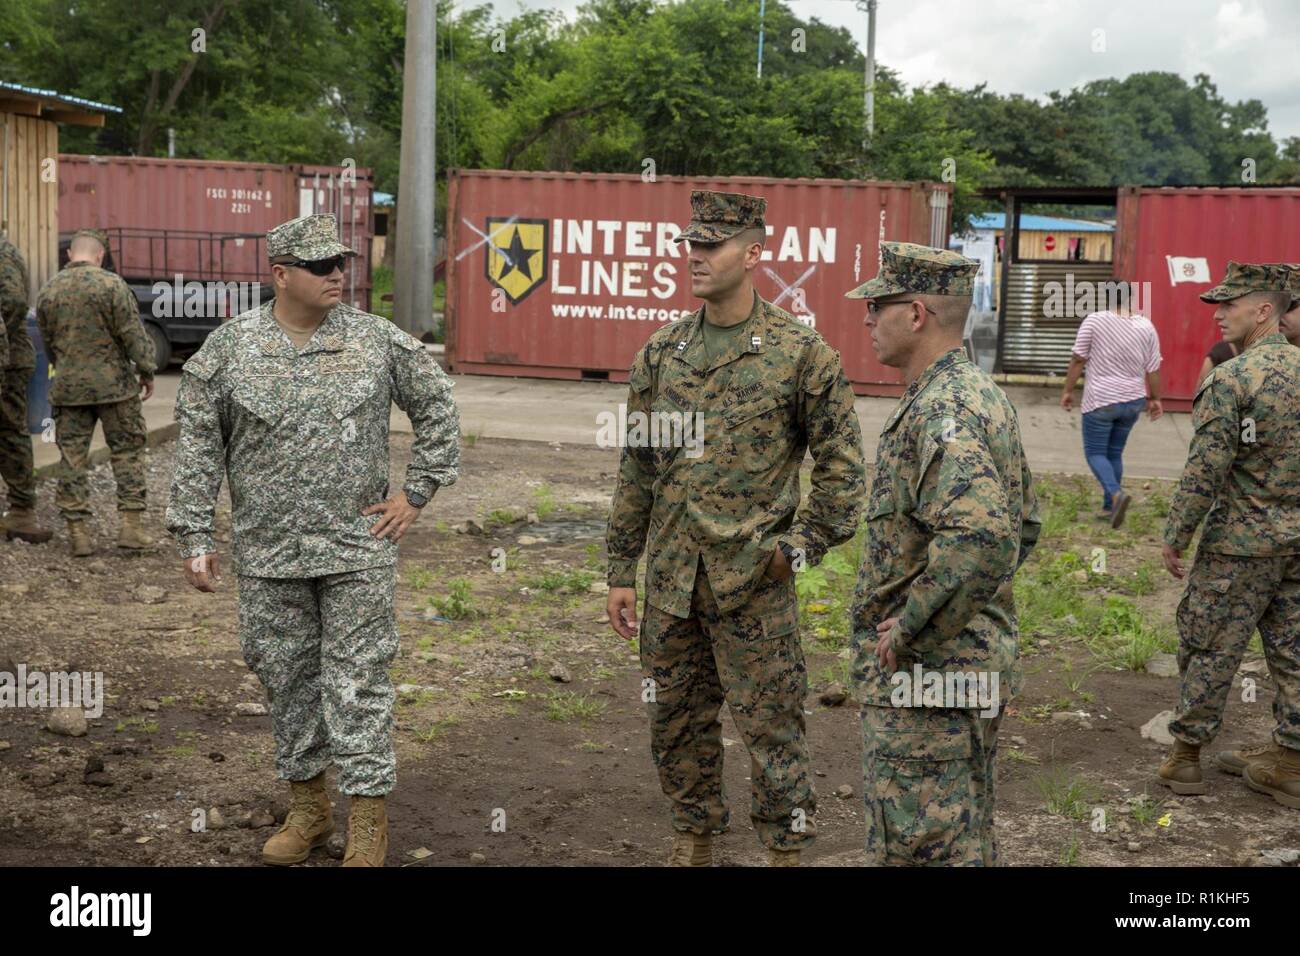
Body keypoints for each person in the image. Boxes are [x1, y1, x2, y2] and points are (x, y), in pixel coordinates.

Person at [166, 213, 462, 866]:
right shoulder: (229, 350)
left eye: (342, 264)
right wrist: (193, 531)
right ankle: (308, 811)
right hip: (269, 554)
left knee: (357, 682)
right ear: (280, 275)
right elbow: (195, 443)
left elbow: (438, 405)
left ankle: (368, 821)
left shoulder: (376, 342)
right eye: (321, 266)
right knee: (286, 678)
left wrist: (416, 492)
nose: (337, 275)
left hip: (356, 551)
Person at [605, 190, 867, 867]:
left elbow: (843, 475)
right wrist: (619, 572)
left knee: (773, 728)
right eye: (690, 243)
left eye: (711, 245)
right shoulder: (663, 352)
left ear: (754, 253)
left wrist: (798, 552)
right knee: (674, 724)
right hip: (670, 584)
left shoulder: (800, 355)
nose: (695, 256)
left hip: (753, 581)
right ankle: (694, 842)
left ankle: (785, 852)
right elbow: (638, 469)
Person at [848, 242, 1040, 866]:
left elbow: (983, 536)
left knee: (920, 850)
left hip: (928, 680)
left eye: (877, 305)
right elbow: (1025, 522)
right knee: (962, 840)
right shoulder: (979, 393)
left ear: (917, 312)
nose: (866, 318)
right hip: (962, 667)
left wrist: (912, 626)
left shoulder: (943, 408)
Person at [1159, 261, 1300, 810]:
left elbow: (1206, 469)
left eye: (1228, 305)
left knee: (1211, 644)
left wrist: (1177, 533)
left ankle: (1186, 757)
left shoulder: (1233, 378)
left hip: (1239, 547)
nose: (1218, 315)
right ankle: (1289, 761)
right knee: (1293, 651)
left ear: (1263, 310)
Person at [35, 228, 156, 556]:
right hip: (115, 387)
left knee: (72, 457)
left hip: (69, 389)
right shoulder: (113, 285)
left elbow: (48, 343)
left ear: (70, 255)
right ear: (100, 256)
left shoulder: (49, 290)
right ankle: (131, 527)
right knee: (127, 452)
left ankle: (79, 534)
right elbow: (132, 334)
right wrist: (146, 371)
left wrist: (66, 368)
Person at [1060, 301, 1162, 528]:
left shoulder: (1095, 320)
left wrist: (1068, 390)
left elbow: (1078, 358)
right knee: (1114, 454)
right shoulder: (1146, 325)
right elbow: (1153, 367)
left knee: (1095, 453)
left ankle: (1116, 494)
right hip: (1134, 401)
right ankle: (1109, 507)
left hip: (1102, 400)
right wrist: (1155, 398)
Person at [0, 232, 52, 544]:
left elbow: (12, 301)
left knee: (10, 432)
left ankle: (21, 510)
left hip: (8, 359)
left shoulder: (3, 251)